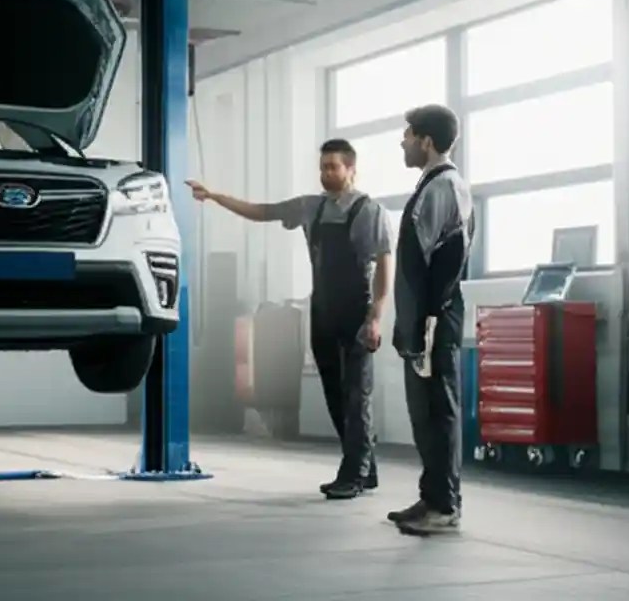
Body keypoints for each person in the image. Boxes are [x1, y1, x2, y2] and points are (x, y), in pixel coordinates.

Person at [186, 139, 394, 499]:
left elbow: (384, 266)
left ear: (351, 168)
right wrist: (216, 197)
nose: (326, 173)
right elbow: (262, 211)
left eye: (334, 166)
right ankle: (365, 467)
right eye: (323, 166)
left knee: (357, 395)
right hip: (322, 310)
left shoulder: (368, 210)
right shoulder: (310, 207)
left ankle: (353, 473)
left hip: (355, 311)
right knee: (334, 394)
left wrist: (376, 316)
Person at [386, 104, 475, 536]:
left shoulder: (445, 186)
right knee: (423, 412)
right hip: (422, 320)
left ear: (425, 140)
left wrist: (425, 323)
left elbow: (444, 264)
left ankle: (445, 506)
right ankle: (431, 496)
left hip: (435, 319)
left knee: (439, 411)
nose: (402, 143)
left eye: (407, 136)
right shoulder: (431, 186)